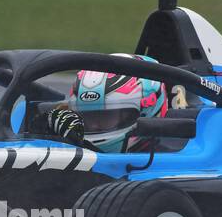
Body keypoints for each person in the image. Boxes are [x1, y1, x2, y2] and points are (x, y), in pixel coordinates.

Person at [28, 53, 171, 152]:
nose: (94, 125)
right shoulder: (65, 150)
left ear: (146, 114)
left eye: (105, 117)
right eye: (87, 117)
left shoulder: (172, 166)